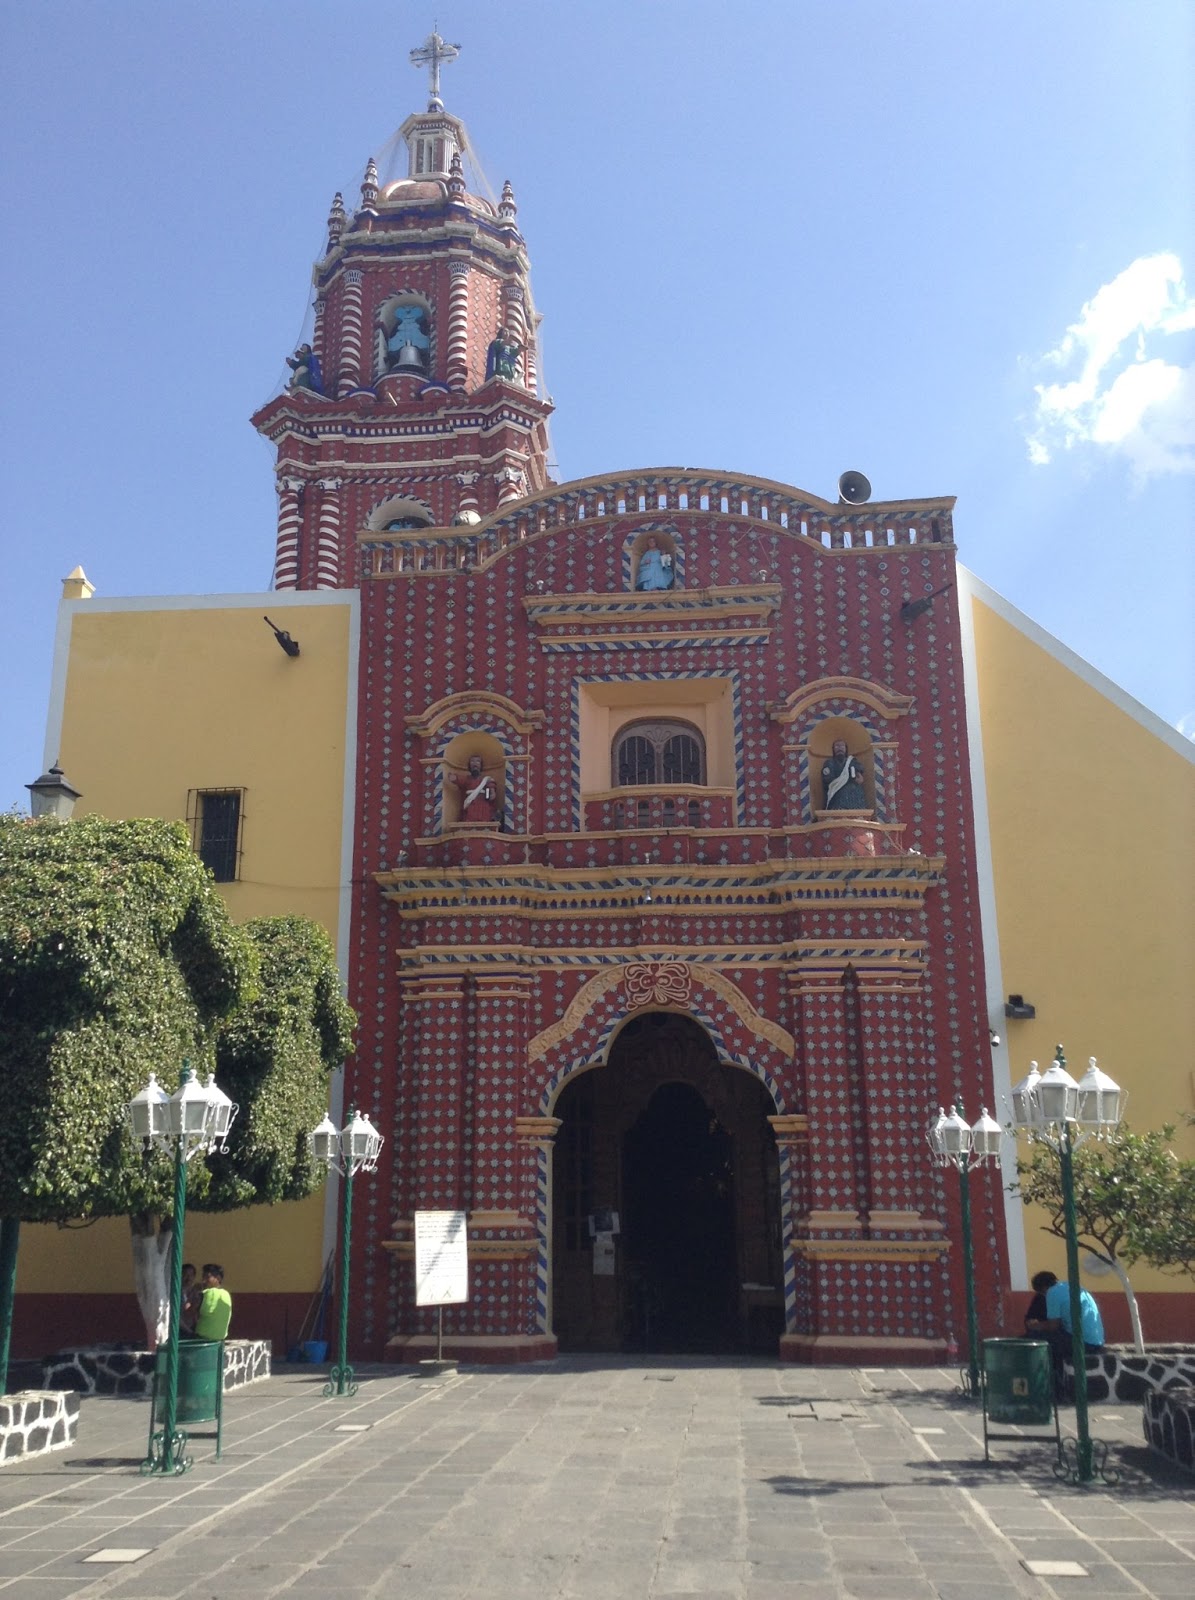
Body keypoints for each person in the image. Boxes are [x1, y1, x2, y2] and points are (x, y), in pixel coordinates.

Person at [1025, 1269, 1105, 1394]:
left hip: (1082, 1343)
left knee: (1035, 1340)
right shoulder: (1072, 1286)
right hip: (1096, 1341)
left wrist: (1036, 1326)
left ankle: (1048, 1386)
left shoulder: (1052, 1293)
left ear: (1043, 1289)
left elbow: (1053, 1326)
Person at [451, 753, 498, 823]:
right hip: (470, 804)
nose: (475, 764)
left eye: (477, 761)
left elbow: (491, 787)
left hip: (483, 805)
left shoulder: (486, 779)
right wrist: (454, 778)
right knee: (469, 818)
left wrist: (492, 792)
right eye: (472, 761)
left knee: (484, 818)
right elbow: (459, 780)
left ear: (481, 765)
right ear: (469, 765)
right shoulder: (467, 779)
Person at [821, 739, 868, 810]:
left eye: (842, 746)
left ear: (846, 749)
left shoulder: (852, 761)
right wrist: (839, 781)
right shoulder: (830, 762)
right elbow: (827, 778)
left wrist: (859, 777)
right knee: (841, 791)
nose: (840, 748)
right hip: (836, 789)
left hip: (852, 790)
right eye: (837, 746)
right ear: (833, 749)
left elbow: (859, 772)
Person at [194, 1263, 233, 1342]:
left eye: (207, 1277)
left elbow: (188, 1311)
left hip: (201, 1339)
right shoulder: (226, 1294)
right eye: (203, 1277)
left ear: (218, 1278)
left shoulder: (205, 1294)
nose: (203, 1280)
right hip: (220, 1339)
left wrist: (193, 1292)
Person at [180, 1262, 199, 1337]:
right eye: (185, 1275)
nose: (188, 1278)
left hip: (194, 1329)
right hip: (181, 1330)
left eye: (191, 1275)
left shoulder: (196, 1292)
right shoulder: (176, 1293)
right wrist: (190, 1332)